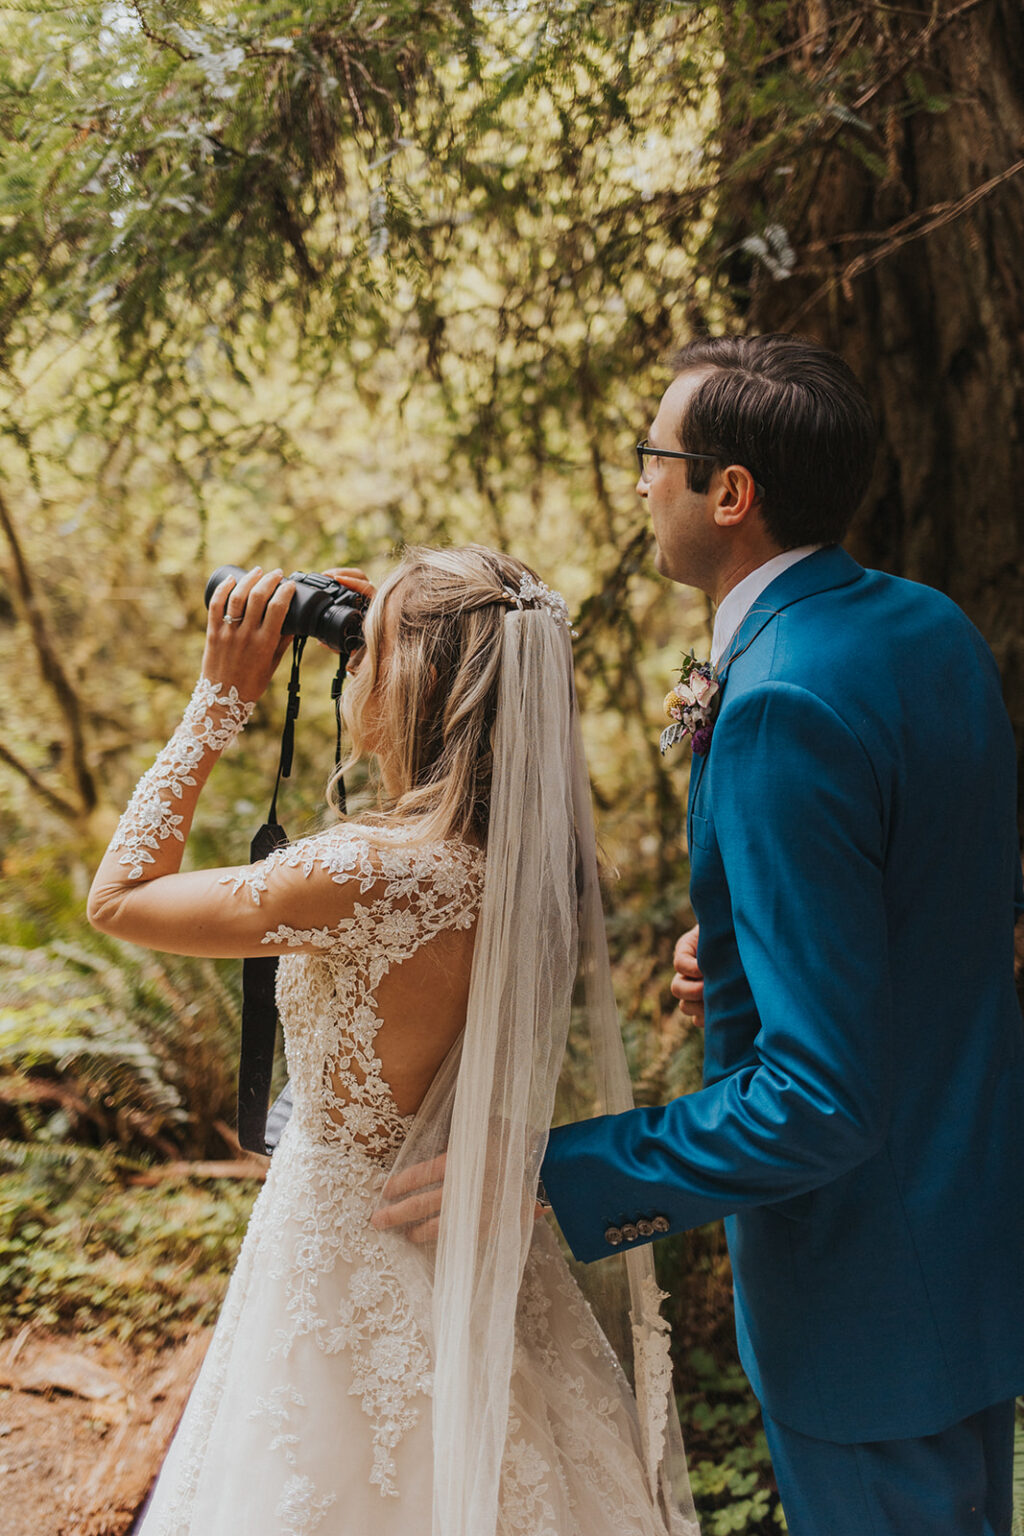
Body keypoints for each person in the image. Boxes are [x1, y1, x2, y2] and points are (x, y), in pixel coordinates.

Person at [87, 545, 700, 1536]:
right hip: (478, 1248)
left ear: (409, 685)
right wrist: (417, 613)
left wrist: (220, 699)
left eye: (370, 652)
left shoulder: (366, 873)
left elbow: (117, 898)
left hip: (337, 1250)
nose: (355, 670)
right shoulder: (540, 872)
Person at [535, 334, 1024, 1536]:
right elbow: (961, 901)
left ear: (729, 493)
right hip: (970, 1251)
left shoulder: (777, 702)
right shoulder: (927, 628)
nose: (642, 481)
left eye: (653, 456)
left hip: (861, 1297)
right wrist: (755, 949)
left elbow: (817, 1099)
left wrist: (550, 1179)